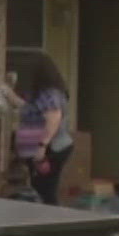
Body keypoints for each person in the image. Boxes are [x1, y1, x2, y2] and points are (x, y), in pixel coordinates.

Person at [15, 55, 74, 204]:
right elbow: (29, 108)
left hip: (51, 148)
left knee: (46, 190)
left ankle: (52, 222)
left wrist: (41, 147)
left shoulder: (50, 94)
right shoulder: (40, 94)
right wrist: (8, 94)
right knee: (39, 188)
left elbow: (53, 120)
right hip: (38, 148)